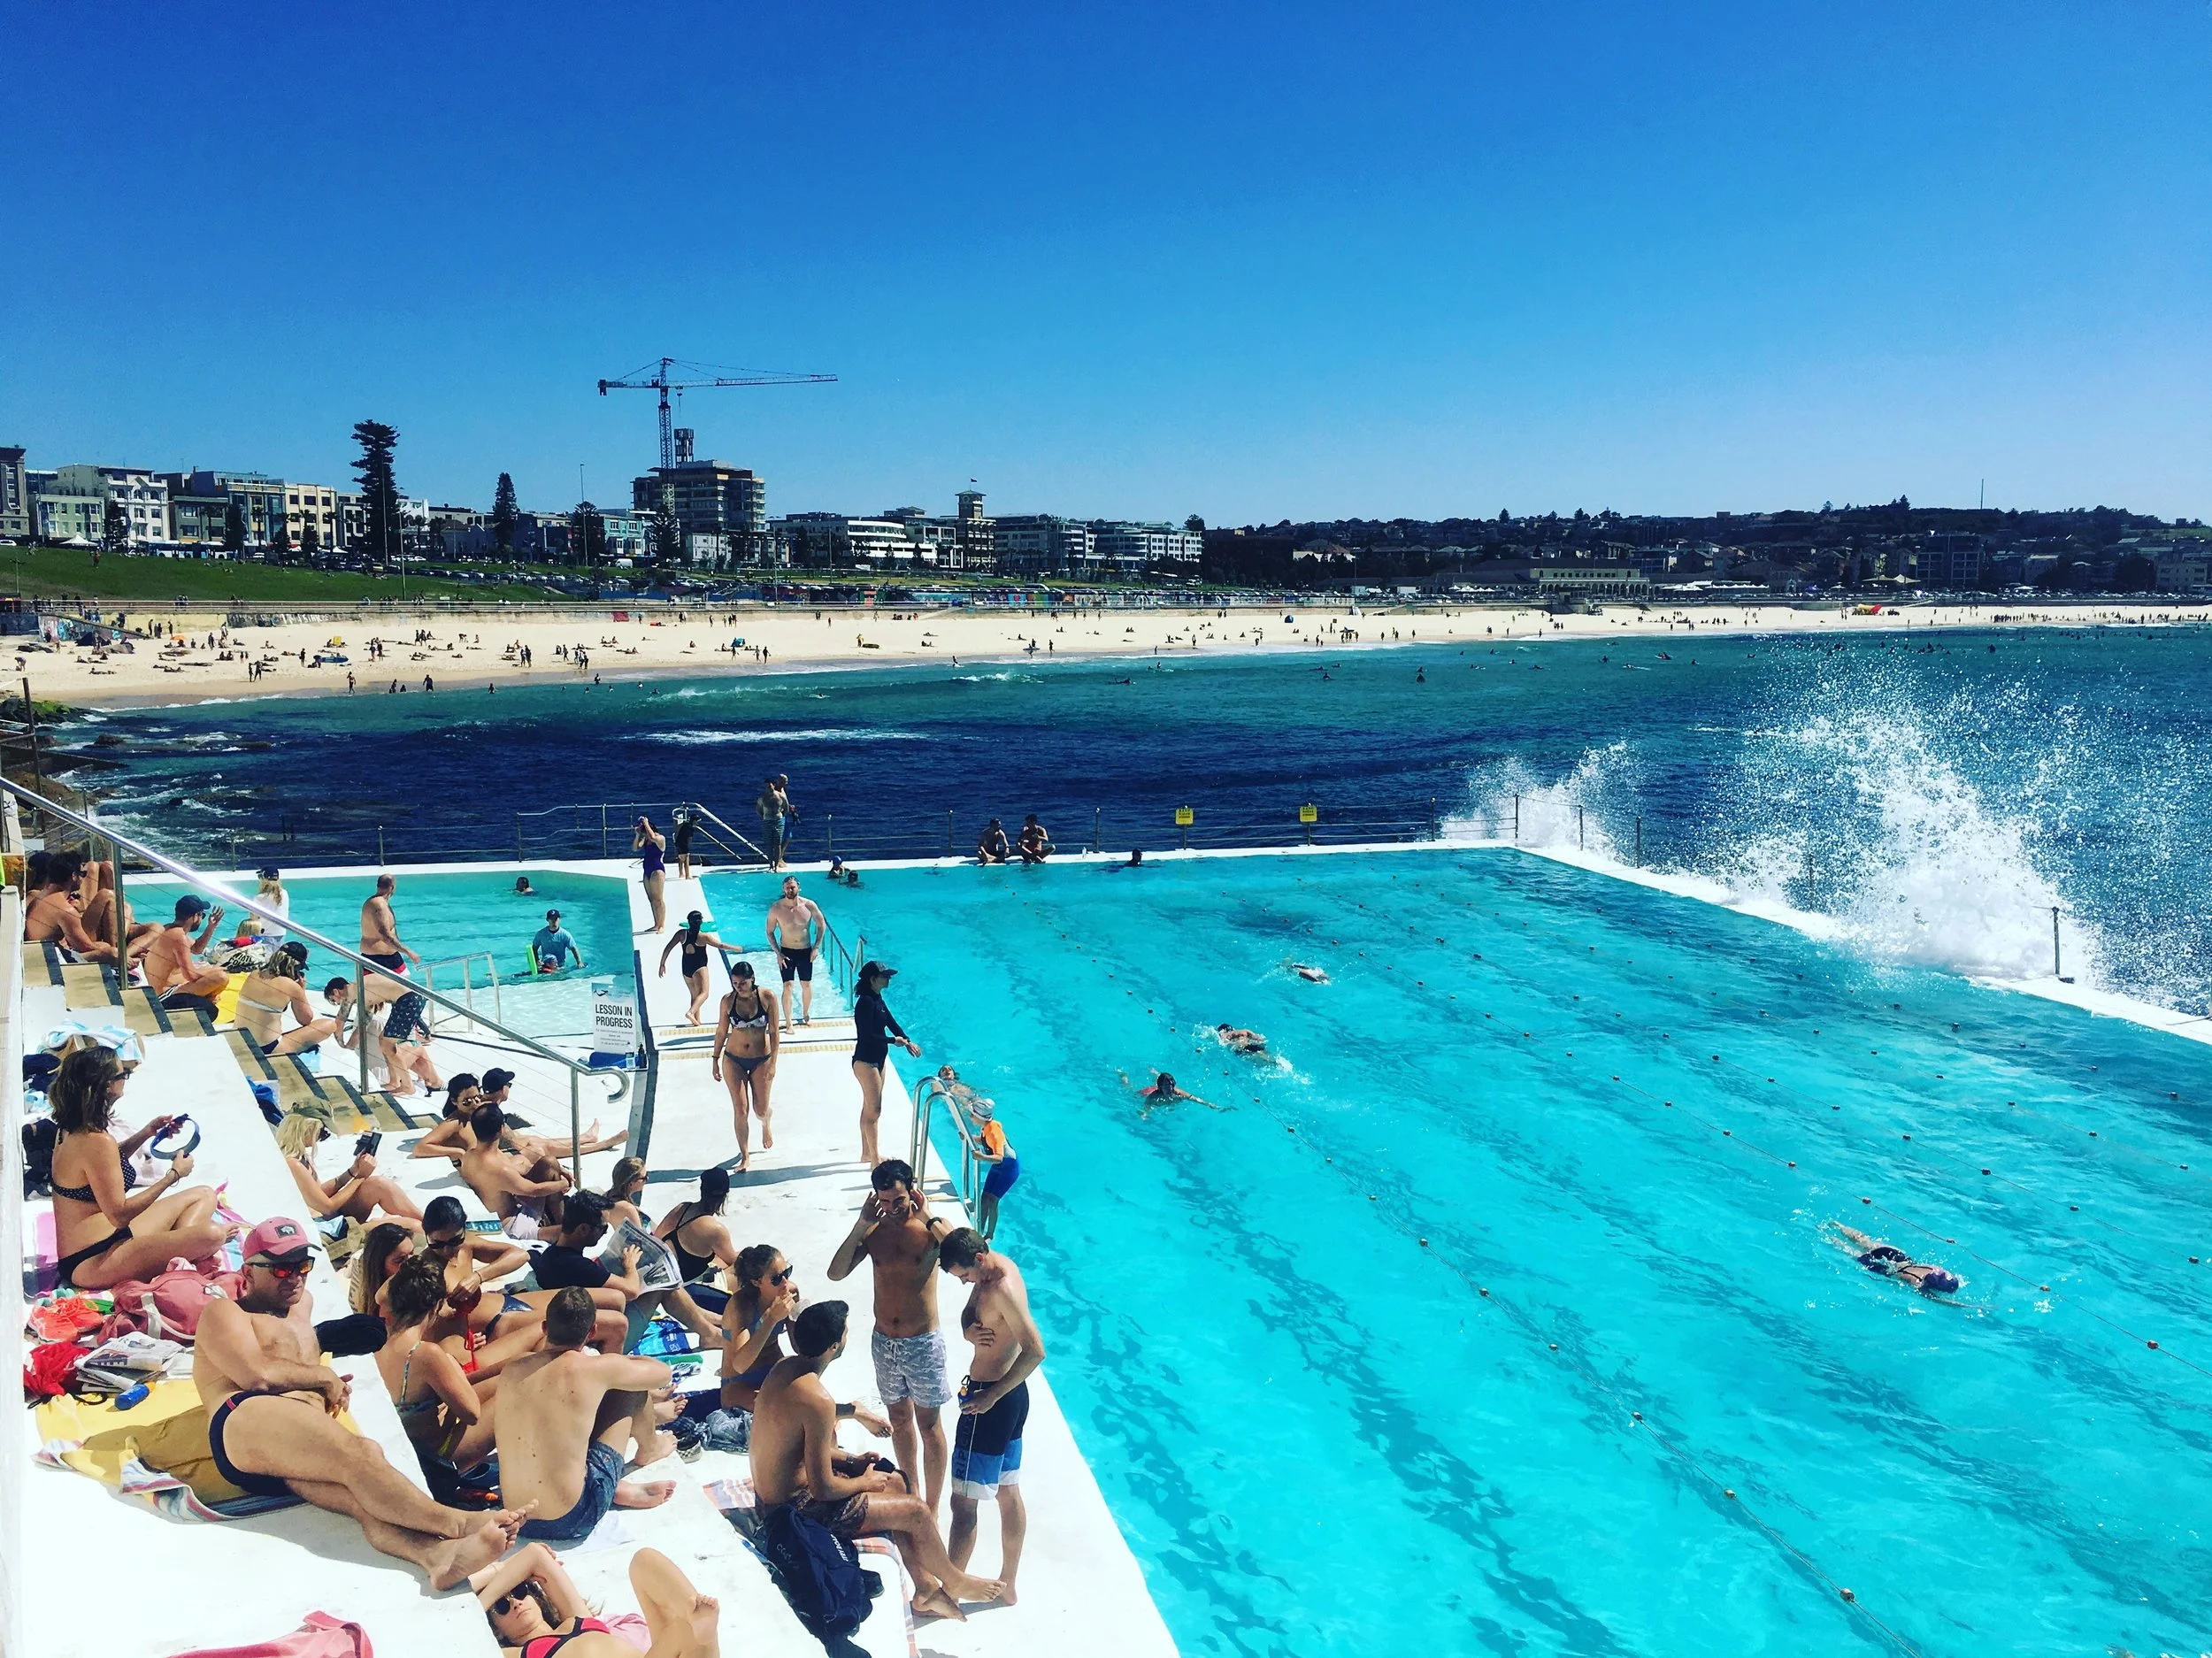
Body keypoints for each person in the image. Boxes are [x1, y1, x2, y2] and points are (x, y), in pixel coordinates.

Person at [193, 1217, 526, 1586]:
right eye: (282, 1269)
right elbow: (256, 1375)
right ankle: (459, 1523)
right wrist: (323, 1377)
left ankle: (435, 1557)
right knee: (363, 1455)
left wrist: (323, 1386)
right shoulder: (225, 1312)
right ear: (248, 1272)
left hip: (288, 1443)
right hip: (243, 1419)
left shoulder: (303, 1305)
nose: (295, 1278)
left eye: (303, 1266)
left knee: (360, 1497)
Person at [749, 1300, 1002, 1623]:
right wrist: (863, 1481)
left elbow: (793, 1446)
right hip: (791, 1512)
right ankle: (954, 1580)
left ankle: (926, 1588)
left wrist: (851, 1460)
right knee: (916, 1511)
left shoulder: (784, 1369)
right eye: (845, 1331)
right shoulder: (818, 1400)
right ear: (833, 1346)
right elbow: (823, 1489)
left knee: (897, 1481)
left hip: (773, 1495)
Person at [495, 1286, 679, 1543]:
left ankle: (613, 1487)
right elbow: (662, 1373)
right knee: (631, 1390)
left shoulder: (513, 1369)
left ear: (545, 1328)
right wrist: (617, 1363)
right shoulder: (594, 1368)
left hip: (516, 1518)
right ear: (592, 1332)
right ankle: (651, 1448)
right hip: (572, 1519)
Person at [826, 1158, 955, 1515]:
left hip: (922, 1343)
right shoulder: (874, 1232)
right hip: (884, 1343)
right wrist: (861, 1224)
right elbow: (836, 1273)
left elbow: (962, 1250)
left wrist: (927, 1215)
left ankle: (932, 1506)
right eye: (884, 1201)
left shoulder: (930, 1229)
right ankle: (911, 1495)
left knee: (929, 1426)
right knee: (899, 1421)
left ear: (913, 1191)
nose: (892, 1208)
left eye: (898, 1200)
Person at [48, 1045, 227, 1289]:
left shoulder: (70, 1129)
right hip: (92, 1260)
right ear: (107, 1085)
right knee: (214, 1235)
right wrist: (173, 1175)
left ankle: (179, 1249)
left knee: (205, 1194)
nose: (126, 1079)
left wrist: (147, 1132)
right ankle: (184, 1250)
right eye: (123, 1074)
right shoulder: (97, 1141)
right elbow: (120, 1216)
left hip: (104, 1241)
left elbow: (103, 1165)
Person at [940, 1227, 1045, 1602]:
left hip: (992, 1401)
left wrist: (991, 1396)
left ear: (979, 1259)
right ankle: (1008, 1585)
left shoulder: (1002, 1288)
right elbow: (970, 1312)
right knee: (1007, 1491)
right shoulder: (990, 1269)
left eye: (964, 1275)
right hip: (1010, 1399)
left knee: (963, 1502)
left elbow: (1035, 1350)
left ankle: (949, 1593)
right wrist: (969, 1330)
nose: (964, 1282)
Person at [475, 1543, 721, 1658]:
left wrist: (507, 1568)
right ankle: (704, 1637)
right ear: (495, 1630)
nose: (516, 1603)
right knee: (689, 1631)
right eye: (501, 1606)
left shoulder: (578, 1618)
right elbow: (452, 1621)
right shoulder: (514, 1655)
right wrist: (477, 1607)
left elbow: (535, 1554)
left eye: (519, 1592)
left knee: (644, 1560)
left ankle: (699, 1625)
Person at [378, 1255, 497, 1471]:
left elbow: (381, 1295)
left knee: (500, 1379)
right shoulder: (426, 1354)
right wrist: (451, 1363)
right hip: (434, 1456)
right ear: (436, 1307)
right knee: (515, 1392)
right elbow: (472, 1414)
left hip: (407, 1444)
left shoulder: (381, 1339)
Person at [277, 1102, 423, 1224]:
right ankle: (427, 1225)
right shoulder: (293, 1164)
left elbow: (318, 1193)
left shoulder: (300, 1157)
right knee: (413, 1226)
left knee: (378, 1184)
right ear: (308, 1128)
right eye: (322, 1132)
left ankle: (428, 1221)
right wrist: (361, 1176)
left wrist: (353, 1171)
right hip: (324, 1227)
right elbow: (327, 1207)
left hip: (328, 1218)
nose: (321, 1137)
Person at [461, 1102, 574, 1240]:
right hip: (512, 1224)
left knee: (548, 1163)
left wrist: (557, 1169)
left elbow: (512, 1170)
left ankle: (559, 1221)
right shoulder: (500, 1170)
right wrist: (563, 1183)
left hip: (507, 1206)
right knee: (573, 1228)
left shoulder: (469, 1156)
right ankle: (564, 1229)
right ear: (502, 1129)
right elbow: (534, 1190)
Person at [710, 960, 780, 1170]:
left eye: (742, 983)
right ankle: (745, 1155)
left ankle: (766, 1122)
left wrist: (773, 1062)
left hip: (761, 1059)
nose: (738, 987)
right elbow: (721, 1031)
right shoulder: (728, 1001)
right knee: (741, 1109)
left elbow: (774, 1032)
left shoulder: (767, 997)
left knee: (760, 1109)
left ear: (752, 979)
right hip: (734, 1059)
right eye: (734, 983)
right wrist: (714, 1059)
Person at [234, 943, 342, 1056]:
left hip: (237, 1041)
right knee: (330, 1025)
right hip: (267, 1048)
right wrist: (301, 991)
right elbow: (305, 1020)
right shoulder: (292, 987)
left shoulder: (255, 973)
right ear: (295, 967)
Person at [25, 851, 121, 964]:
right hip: (52, 961)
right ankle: (128, 961)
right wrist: (111, 953)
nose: (83, 878)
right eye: (82, 874)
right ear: (74, 876)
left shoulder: (40, 896)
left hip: (38, 954)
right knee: (112, 953)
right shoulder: (65, 909)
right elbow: (85, 947)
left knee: (104, 946)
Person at [142, 894, 231, 1015]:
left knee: (209, 969)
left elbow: (197, 948)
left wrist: (211, 927)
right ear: (195, 916)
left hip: (159, 989)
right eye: (202, 915)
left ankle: (207, 998)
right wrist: (220, 968)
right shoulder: (179, 937)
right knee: (221, 977)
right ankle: (207, 1000)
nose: (201, 919)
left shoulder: (169, 929)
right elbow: (191, 975)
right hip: (163, 995)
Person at [653, 1168, 737, 1295]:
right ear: (725, 1195)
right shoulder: (716, 1230)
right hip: (687, 1286)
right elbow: (735, 1263)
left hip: (666, 1274)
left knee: (720, 1257)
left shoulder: (682, 1208)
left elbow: (657, 1238)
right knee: (744, 1268)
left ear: (701, 1189)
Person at [764, 875, 826, 1030]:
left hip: (805, 950)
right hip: (786, 952)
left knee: (806, 984)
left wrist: (816, 947)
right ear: (783, 889)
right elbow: (769, 932)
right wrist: (778, 953)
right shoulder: (776, 908)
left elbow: (821, 925)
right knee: (788, 986)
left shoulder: (809, 905)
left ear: (798, 887)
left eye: (792, 887)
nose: (790, 890)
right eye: (787, 888)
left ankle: (805, 1014)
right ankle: (789, 1022)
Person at [1833, 1224, 1963, 1295]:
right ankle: (1831, 1237)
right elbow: (1933, 1299)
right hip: (1886, 1268)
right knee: (1849, 1251)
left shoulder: (1935, 1269)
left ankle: (1837, 1225)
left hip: (1899, 1257)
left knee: (1863, 1241)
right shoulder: (1917, 1282)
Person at [77, 858, 160, 961]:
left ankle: (124, 955)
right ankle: (117, 952)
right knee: (105, 891)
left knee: (156, 928)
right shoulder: (62, 900)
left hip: (117, 927)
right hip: (87, 930)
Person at [657, 910, 727, 1025]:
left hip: (686, 968)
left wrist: (662, 964)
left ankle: (696, 1021)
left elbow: (668, 948)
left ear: (689, 922)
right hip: (699, 967)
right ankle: (690, 1013)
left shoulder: (681, 934)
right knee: (704, 993)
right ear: (701, 923)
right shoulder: (703, 936)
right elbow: (721, 945)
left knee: (694, 995)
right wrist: (737, 948)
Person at [379, 981, 443, 1098]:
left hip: (402, 1045)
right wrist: (427, 1033)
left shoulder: (392, 1010)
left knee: (412, 1048)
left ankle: (432, 1081)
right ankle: (434, 1082)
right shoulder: (403, 1008)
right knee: (417, 1048)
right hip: (401, 1048)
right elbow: (416, 1019)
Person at [360, 874, 420, 972]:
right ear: (392, 888)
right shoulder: (378, 905)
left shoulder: (383, 903)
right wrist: (409, 952)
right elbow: (386, 936)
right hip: (377, 959)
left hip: (392, 957)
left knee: (405, 979)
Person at [1130, 1071, 1216, 1119]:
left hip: (1160, 1086)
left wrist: (1209, 1104)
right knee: (1131, 1091)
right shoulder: (1153, 1097)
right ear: (1161, 1087)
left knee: (1163, 1082)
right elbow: (1146, 1107)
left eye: (1172, 1086)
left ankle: (1156, 1074)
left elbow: (1194, 1099)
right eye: (1167, 1087)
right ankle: (1124, 1077)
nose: (1170, 1089)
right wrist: (1144, 1115)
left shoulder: (1178, 1093)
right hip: (1148, 1091)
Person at [634, 817, 667, 933]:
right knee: (651, 899)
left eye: (645, 832)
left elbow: (653, 837)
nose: (645, 834)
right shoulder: (646, 839)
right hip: (647, 870)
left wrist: (646, 823)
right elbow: (635, 848)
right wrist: (638, 835)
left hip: (657, 871)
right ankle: (656, 924)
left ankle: (662, 925)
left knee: (658, 899)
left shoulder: (660, 838)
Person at [530, 909, 583, 974]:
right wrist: (537, 960)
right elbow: (534, 948)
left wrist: (579, 962)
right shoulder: (541, 934)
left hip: (560, 966)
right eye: (551, 919)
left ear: (559, 919)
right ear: (547, 920)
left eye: (555, 919)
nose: (554, 921)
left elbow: (574, 948)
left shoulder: (565, 934)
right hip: (546, 965)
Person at [753, 777, 788, 872]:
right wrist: (765, 817)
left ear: (774, 785)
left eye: (769, 786)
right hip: (767, 822)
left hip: (778, 822)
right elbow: (758, 810)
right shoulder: (762, 798)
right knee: (768, 844)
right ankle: (770, 865)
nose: (768, 788)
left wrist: (779, 816)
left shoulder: (781, 796)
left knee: (777, 844)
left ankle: (776, 865)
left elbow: (786, 808)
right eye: (766, 786)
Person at [249, 867, 290, 942]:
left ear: (264, 879)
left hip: (264, 935)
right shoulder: (285, 893)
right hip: (281, 933)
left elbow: (254, 920)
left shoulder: (260, 898)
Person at [671, 808, 697, 881]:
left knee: (680, 858)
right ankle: (687, 875)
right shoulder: (691, 828)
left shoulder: (685, 824)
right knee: (686, 858)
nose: (697, 823)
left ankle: (681, 873)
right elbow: (689, 838)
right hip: (683, 844)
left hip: (678, 842)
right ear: (694, 821)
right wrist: (688, 847)